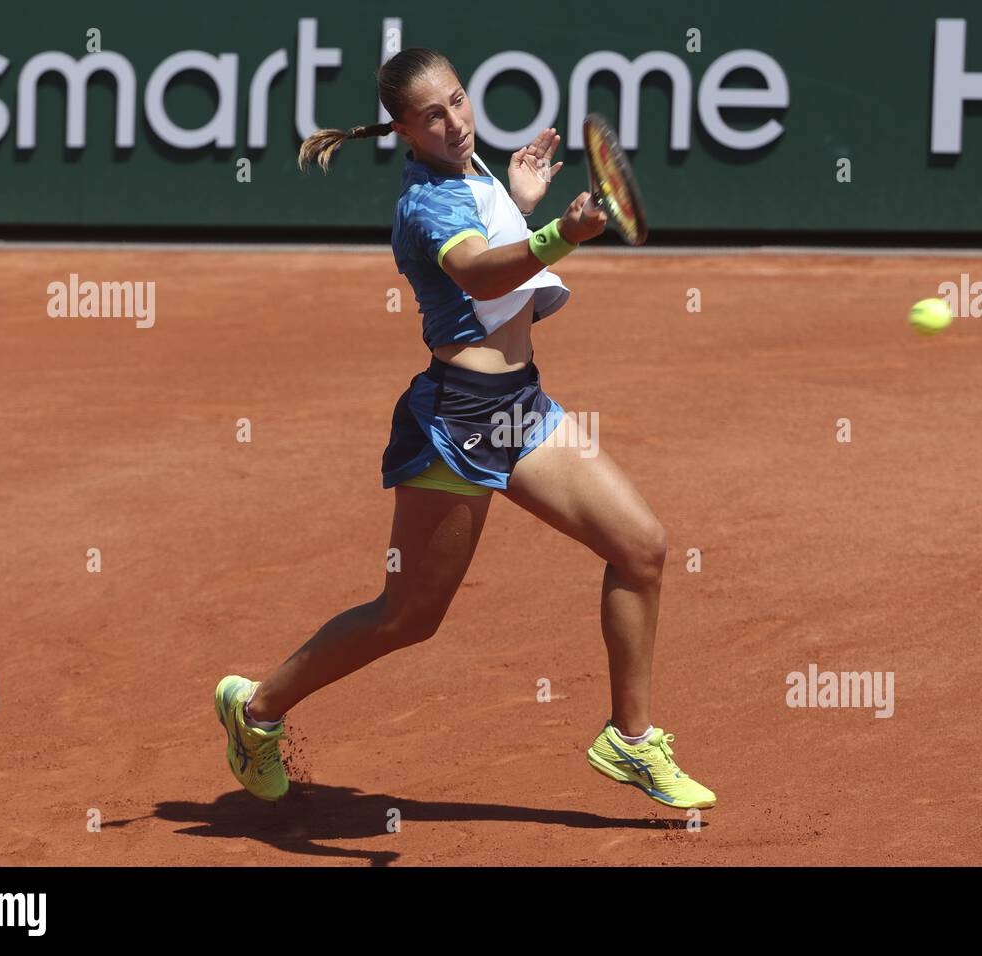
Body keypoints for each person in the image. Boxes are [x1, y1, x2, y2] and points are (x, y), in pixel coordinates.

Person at [214, 47, 716, 811]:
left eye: (457, 101)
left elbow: (493, 239)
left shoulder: (473, 172)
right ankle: (254, 712)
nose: (453, 122)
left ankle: (631, 739)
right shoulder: (428, 201)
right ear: (405, 130)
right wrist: (561, 232)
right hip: (457, 421)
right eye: (432, 116)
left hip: (523, 407)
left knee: (641, 548)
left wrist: (517, 197)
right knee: (408, 617)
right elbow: (481, 274)